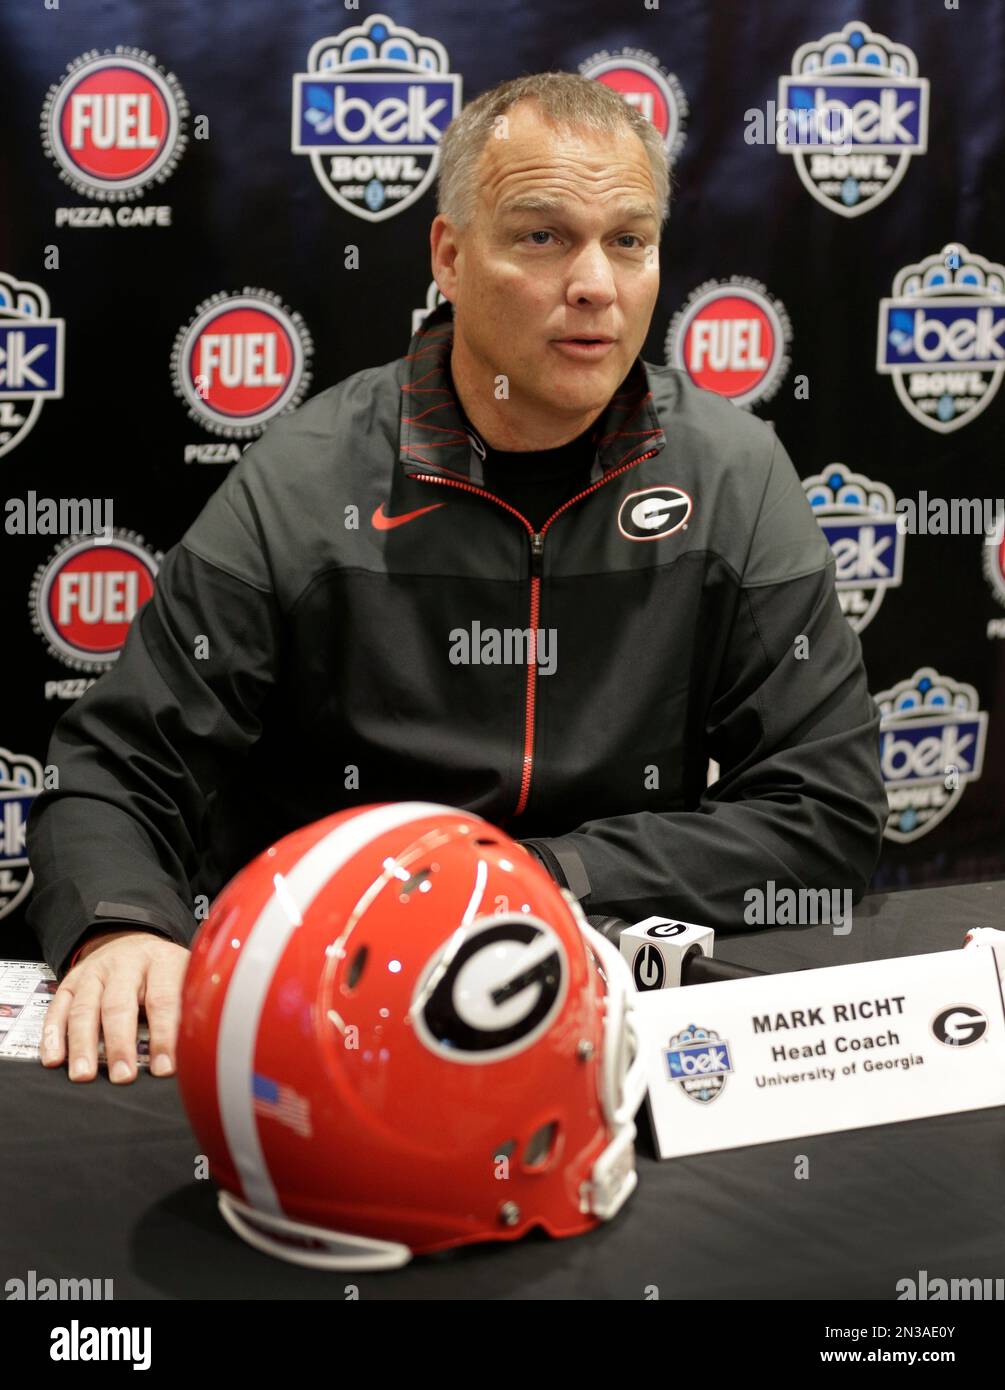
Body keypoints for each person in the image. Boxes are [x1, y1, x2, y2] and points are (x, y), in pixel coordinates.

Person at [26, 72, 887, 1085]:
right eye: (541, 237)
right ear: (448, 255)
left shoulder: (733, 475)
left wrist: (543, 878)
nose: (596, 286)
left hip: (601, 1009)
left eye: (629, 240)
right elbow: (116, 773)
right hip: (336, 1019)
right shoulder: (309, 481)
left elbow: (826, 809)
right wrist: (119, 926)